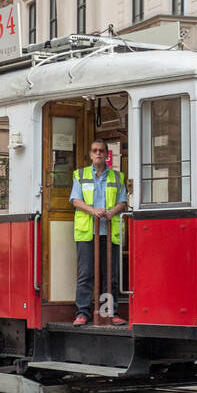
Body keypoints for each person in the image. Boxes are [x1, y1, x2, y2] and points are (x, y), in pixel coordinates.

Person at [70, 139, 128, 326]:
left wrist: (111, 212)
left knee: (110, 275)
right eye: (95, 150)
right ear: (90, 154)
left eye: (101, 150)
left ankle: (110, 313)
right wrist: (93, 210)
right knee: (86, 274)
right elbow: (75, 200)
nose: (98, 153)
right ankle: (83, 313)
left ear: (107, 154)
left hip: (109, 233)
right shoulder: (80, 175)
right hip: (88, 232)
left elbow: (123, 202)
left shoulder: (117, 177)